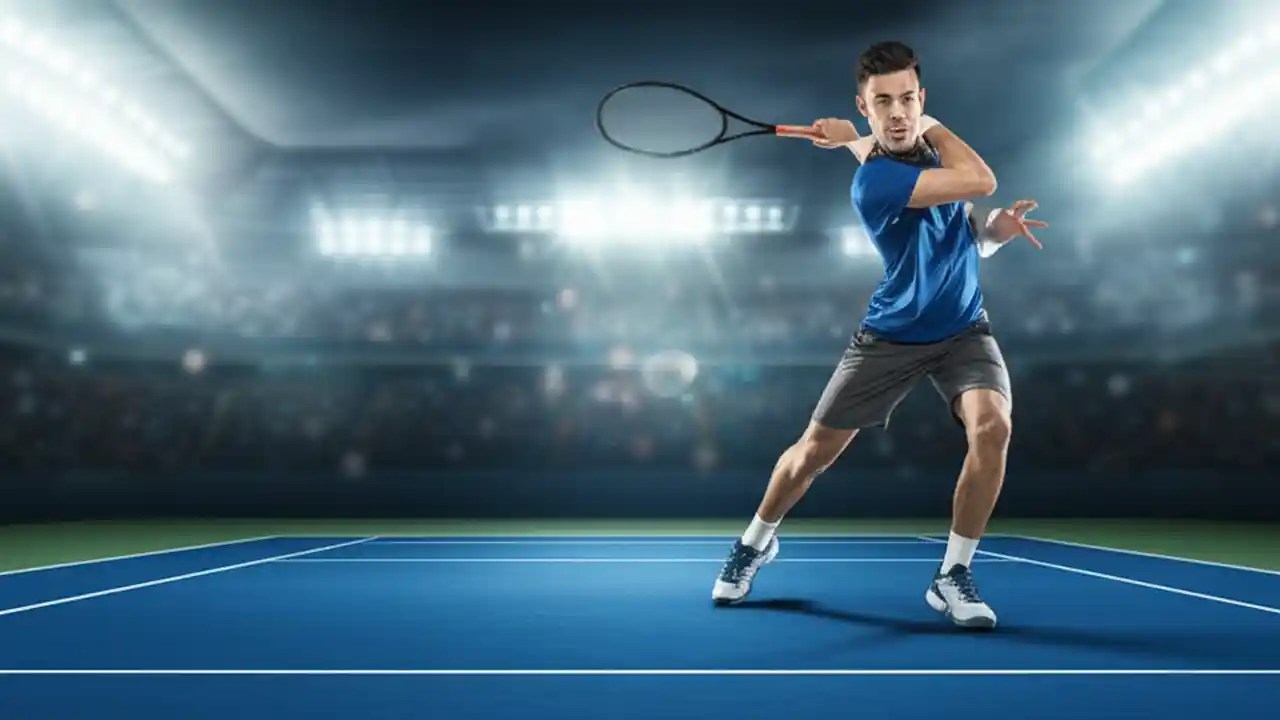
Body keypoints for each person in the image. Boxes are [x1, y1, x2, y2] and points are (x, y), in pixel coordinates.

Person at [711, 41, 1047, 629]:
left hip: (964, 330)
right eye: (882, 101)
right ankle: (755, 543)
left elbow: (964, 233)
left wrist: (995, 233)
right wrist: (879, 135)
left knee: (993, 427)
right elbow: (981, 178)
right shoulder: (874, 183)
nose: (897, 112)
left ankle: (953, 574)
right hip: (891, 336)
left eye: (907, 99)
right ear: (863, 107)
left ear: (922, 98)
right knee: (811, 455)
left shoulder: (919, 159)